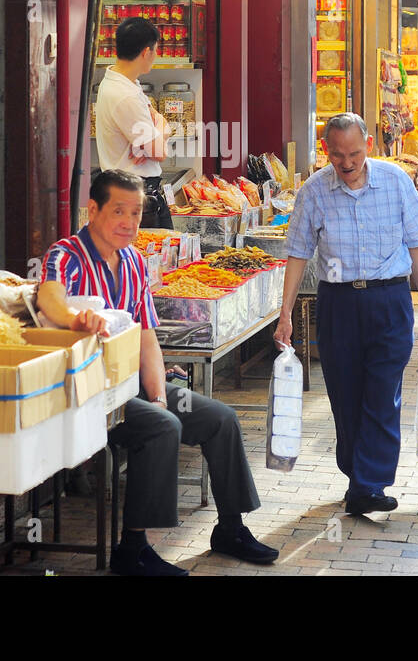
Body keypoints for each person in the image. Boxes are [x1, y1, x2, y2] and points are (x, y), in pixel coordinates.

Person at [39, 170, 278, 575]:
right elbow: (49, 298)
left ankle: (231, 528)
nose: (130, 223)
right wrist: (76, 318)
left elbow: (147, 335)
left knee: (220, 419)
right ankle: (133, 549)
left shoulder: (133, 260)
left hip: (129, 385)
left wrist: (159, 395)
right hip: (86, 392)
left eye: (136, 213)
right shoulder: (67, 255)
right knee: (162, 427)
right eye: (119, 211)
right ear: (92, 210)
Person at [274, 113, 418, 516]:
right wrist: (285, 313)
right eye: (338, 156)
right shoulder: (314, 191)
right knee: (345, 393)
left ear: (368, 145)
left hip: (389, 301)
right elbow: (298, 253)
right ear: (326, 152)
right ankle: (357, 475)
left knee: (383, 394)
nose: (347, 163)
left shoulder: (395, 181)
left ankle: (369, 483)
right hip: (338, 304)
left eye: (354, 153)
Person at [94, 17, 172, 227]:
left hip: (134, 192)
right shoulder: (124, 94)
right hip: (136, 198)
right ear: (146, 52)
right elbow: (159, 152)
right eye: (156, 50)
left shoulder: (123, 82)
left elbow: (156, 116)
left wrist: (159, 130)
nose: (156, 56)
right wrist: (162, 131)